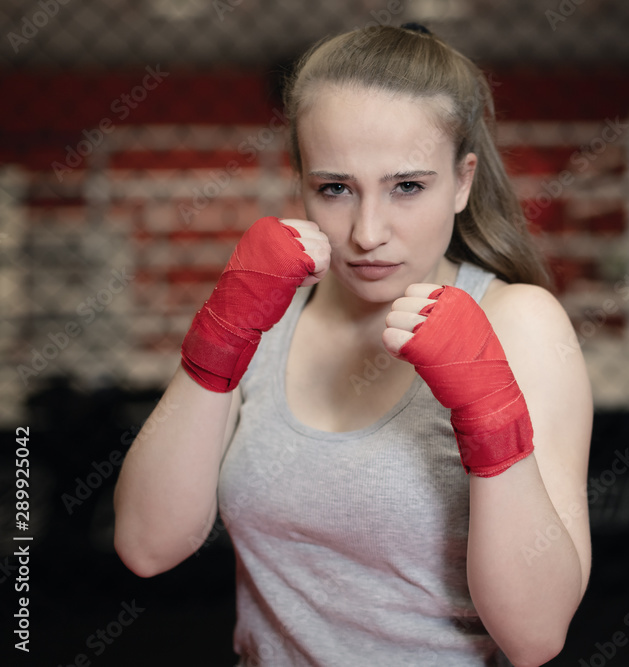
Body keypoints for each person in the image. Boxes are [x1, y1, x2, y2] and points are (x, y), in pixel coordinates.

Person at [113, 24, 593, 667]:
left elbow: (535, 637)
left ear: (462, 181)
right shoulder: (266, 316)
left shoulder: (521, 323)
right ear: (303, 182)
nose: (367, 233)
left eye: (407, 186)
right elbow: (148, 545)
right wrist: (221, 335)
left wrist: (489, 412)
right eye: (335, 188)